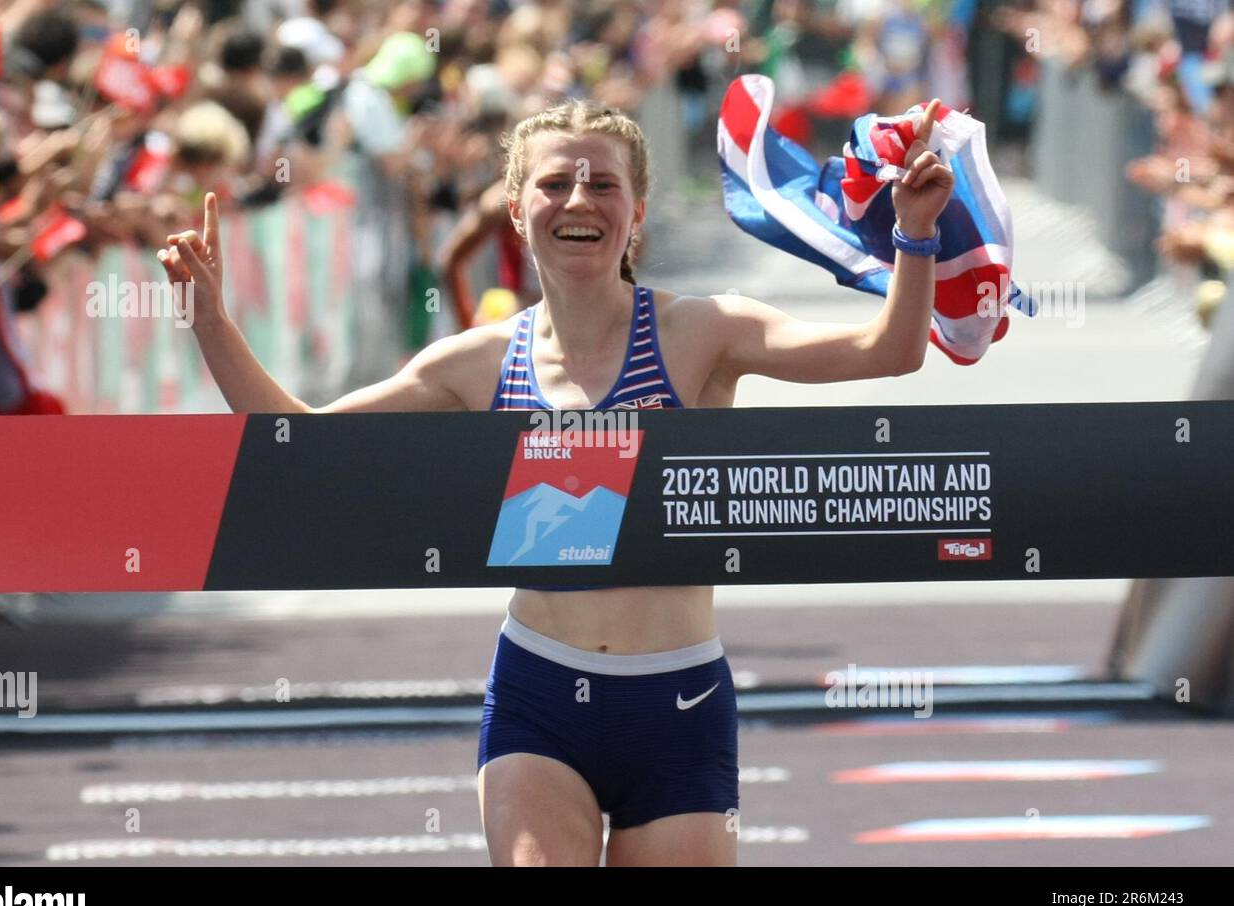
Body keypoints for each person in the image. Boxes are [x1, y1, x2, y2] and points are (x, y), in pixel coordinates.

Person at [156, 96, 953, 866]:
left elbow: (887, 350)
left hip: (679, 704)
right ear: (514, 207)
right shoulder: (473, 364)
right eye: (556, 183)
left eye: (604, 184)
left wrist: (916, 236)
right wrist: (211, 323)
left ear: (636, 213)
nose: (580, 199)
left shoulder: (704, 332)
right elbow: (305, 441)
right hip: (540, 695)